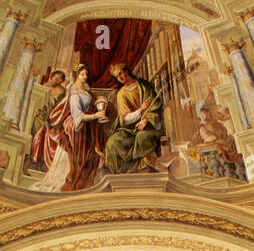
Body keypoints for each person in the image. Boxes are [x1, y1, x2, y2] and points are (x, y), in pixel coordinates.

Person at [32, 64, 109, 192]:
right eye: (82, 74)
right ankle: (73, 177)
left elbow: (91, 103)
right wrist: (96, 115)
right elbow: (77, 116)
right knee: (76, 153)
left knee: (90, 152)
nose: (85, 77)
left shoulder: (86, 91)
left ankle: (83, 179)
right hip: (75, 126)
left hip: (86, 125)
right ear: (77, 75)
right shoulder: (74, 94)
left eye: (86, 74)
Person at [104, 62, 163, 174]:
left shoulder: (144, 86)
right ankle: (120, 174)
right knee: (112, 142)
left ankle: (140, 168)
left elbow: (155, 106)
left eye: (120, 73)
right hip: (130, 129)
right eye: (117, 76)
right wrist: (140, 110)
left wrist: (146, 120)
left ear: (127, 71)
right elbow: (125, 119)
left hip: (149, 125)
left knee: (142, 137)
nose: (119, 77)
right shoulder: (121, 94)